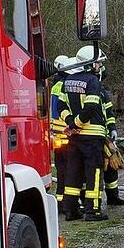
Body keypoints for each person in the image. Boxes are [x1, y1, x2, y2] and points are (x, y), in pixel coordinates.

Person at [60, 45, 110, 221]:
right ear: (89, 63)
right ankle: (92, 210)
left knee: (73, 171)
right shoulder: (92, 81)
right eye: (97, 63)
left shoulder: (68, 81)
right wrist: (77, 123)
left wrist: (71, 123)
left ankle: (71, 210)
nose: (99, 67)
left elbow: (61, 106)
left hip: (75, 137)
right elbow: (91, 106)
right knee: (93, 172)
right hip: (92, 135)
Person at [49, 55, 74, 215]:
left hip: (57, 135)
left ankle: (60, 202)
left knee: (61, 169)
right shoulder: (67, 86)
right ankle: (69, 203)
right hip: (68, 133)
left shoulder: (55, 86)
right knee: (71, 170)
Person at [98, 68, 124, 207]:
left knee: (112, 165)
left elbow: (108, 112)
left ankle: (113, 197)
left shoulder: (101, 91)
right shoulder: (89, 88)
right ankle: (88, 201)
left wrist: (112, 128)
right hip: (94, 135)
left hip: (105, 135)